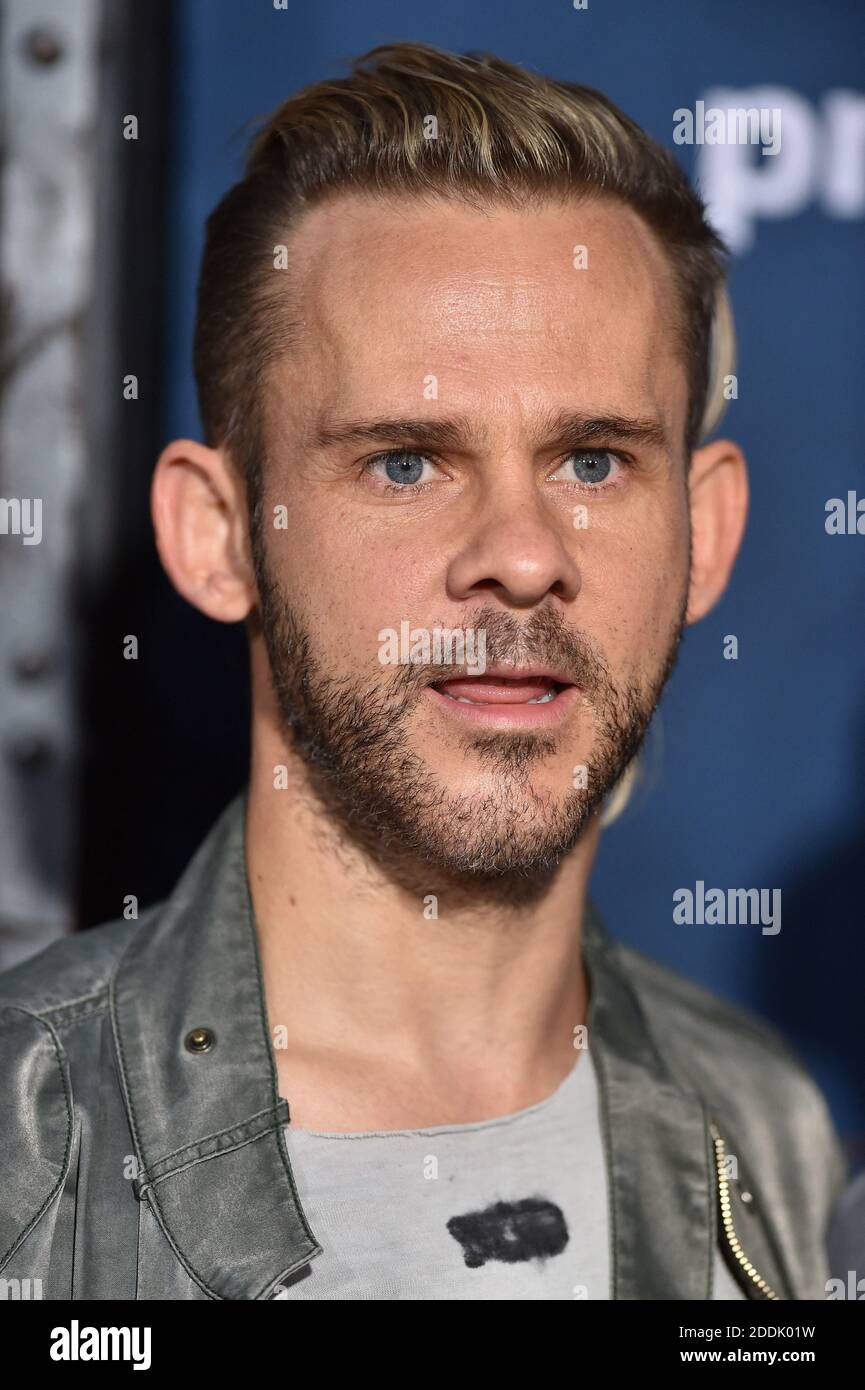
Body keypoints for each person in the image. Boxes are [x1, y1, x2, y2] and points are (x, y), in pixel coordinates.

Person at [0, 42, 845, 1301]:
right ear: (220, 536)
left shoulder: (771, 1139)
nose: (520, 556)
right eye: (405, 461)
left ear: (705, 533)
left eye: (595, 461)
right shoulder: (24, 1160)